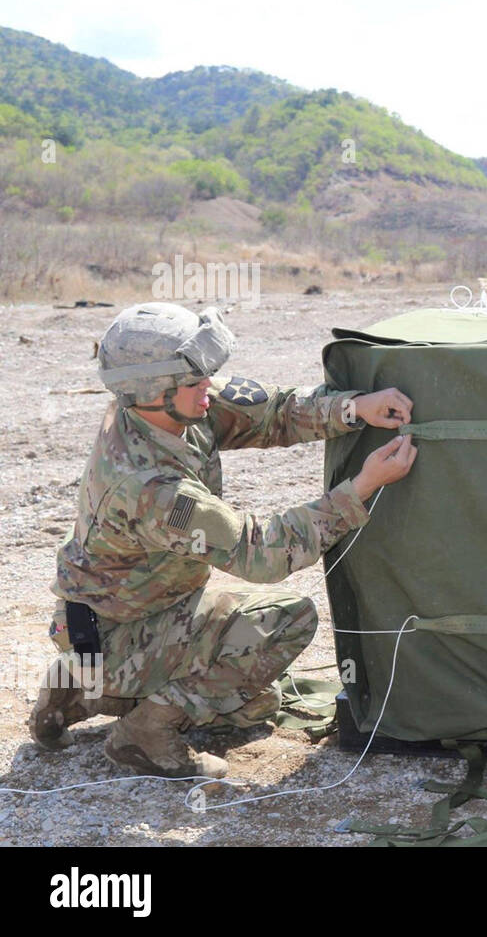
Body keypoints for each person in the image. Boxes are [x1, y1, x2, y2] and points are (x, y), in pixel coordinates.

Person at [27, 302, 418, 779]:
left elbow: (274, 412)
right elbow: (261, 552)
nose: (209, 388)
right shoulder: (148, 487)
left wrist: (354, 408)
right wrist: (362, 487)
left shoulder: (169, 405)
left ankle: (82, 688)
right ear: (155, 391)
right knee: (287, 620)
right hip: (116, 631)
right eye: (195, 382)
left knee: (256, 704)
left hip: (125, 612)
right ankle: (143, 731)